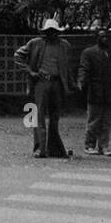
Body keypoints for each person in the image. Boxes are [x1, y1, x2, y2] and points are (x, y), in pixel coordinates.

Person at [14, 19, 78, 158]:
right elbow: (18, 55)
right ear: (45, 33)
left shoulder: (64, 45)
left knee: (55, 116)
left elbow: (68, 67)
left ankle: (55, 148)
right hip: (42, 81)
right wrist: (30, 72)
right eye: (49, 32)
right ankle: (40, 148)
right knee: (39, 115)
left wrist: (71, 84)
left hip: (58, 82)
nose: (51, 34)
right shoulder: (35, 43)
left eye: (54, 32)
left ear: (57, 32)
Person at [77, 30, 111, 156]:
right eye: (102, 37)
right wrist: (81, 81)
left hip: (109, 90)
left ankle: (103, 146)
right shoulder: (89, 52)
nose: (105, 39)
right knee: (94, 120)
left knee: (107, 121)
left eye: (106, 36)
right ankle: (89, 144)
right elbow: (84, 68)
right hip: (95, 90)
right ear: (97, 38)